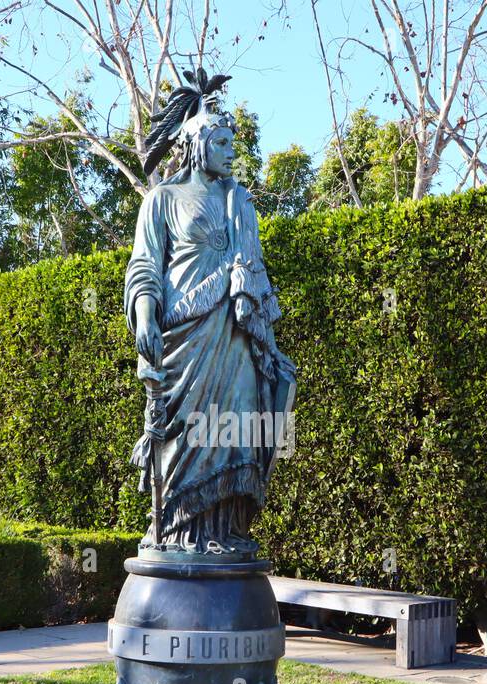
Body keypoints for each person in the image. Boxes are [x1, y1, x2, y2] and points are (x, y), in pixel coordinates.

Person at [124, 68, 296, 556]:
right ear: (198, 144)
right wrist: (143, 313)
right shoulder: (162, 200)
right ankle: (178, 534)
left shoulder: (239, 200)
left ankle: (226, 534)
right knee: (182, 434)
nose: (230, 151)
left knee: (235, 424)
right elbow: (144, 266)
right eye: (222, 142)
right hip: (184, 337)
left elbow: (253, 266)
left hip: (235, 335)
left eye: (231, 143)